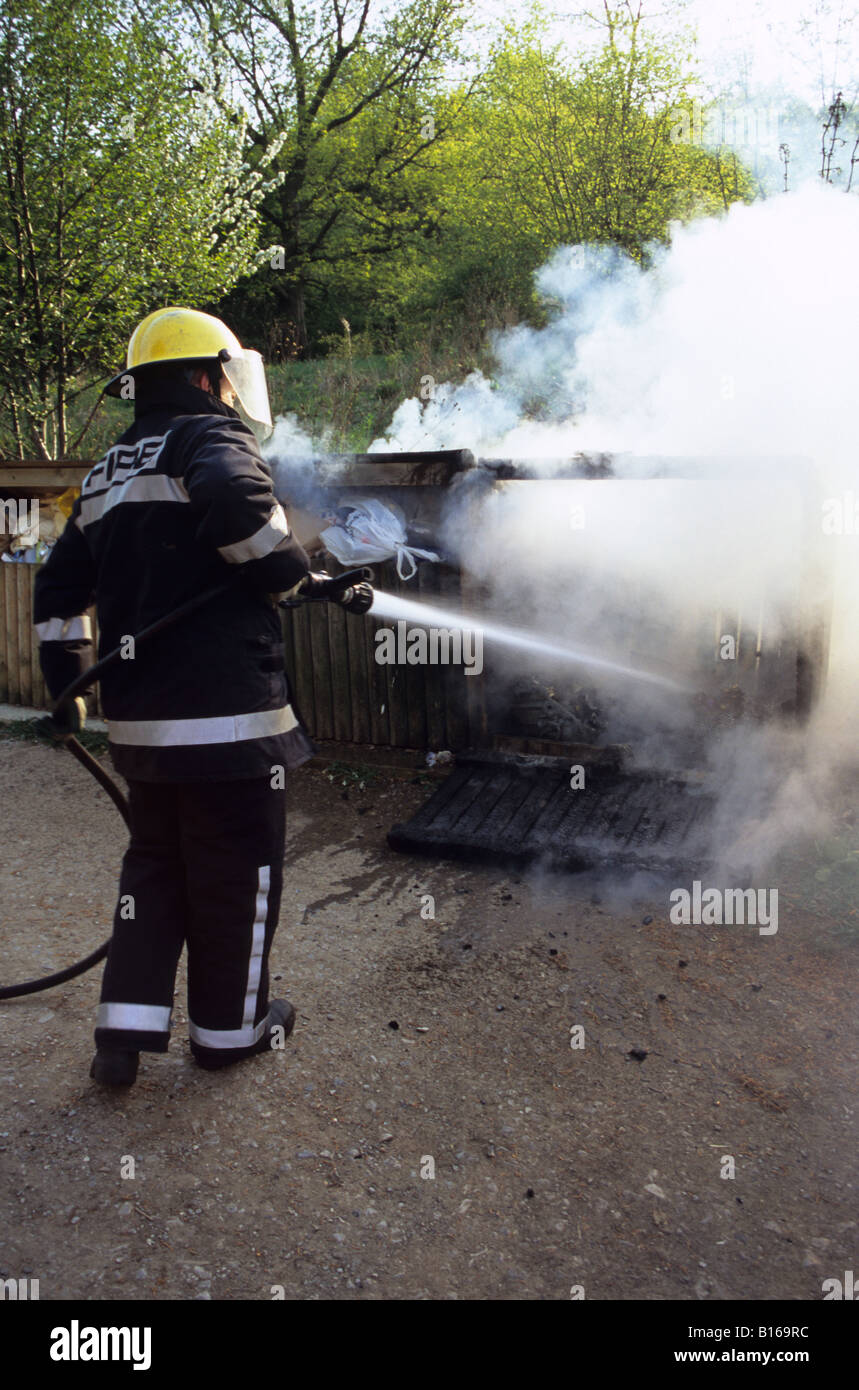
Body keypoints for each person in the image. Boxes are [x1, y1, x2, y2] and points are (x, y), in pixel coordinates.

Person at [33, 307, 365, 1086]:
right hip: (228, 724)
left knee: (154, 866)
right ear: (207, 376)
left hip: (142, 727)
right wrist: (284, 575)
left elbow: (57, 587)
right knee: (237, 871)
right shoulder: (207, 437)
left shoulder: (107, 471)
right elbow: (236, 500)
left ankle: (122, 1035)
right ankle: (228, 1032)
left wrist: (67, 685)